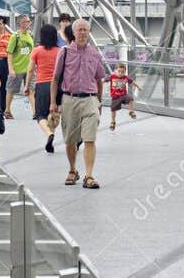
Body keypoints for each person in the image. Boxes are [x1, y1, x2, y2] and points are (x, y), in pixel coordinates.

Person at [50, 18, 107, 189]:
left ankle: (89, 176)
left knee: (90, 138)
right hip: (69, 99)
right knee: (70, 140)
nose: (82, 33)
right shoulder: (65, 52)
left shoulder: (95, 54)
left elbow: (99, 79)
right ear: (73, 33)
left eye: (85, 30)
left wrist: (99, 101)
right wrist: (53, 103)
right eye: (79, 30)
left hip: (90, 99)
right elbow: (55, 78)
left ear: (89, 32)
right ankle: (73, 170)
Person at [26, 22, 61, 153]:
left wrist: (27, 85)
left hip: (42, 85)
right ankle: (52, 135)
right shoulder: (60, 51)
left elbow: (30, 70)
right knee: (54, 114)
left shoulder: (37, 50)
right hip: (57, 86)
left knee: (40, 115)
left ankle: (49, 134)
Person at [4, 13, 34, 119]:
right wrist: (11, 69)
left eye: (29, 21)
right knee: (11, 89)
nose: (28, 23)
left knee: (30, 89)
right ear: (20, 23)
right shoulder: (15, 36)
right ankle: (7, 110)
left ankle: (35, 112)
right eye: (26, 21)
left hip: (29, 68)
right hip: (17, 68)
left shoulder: (30, 35)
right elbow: (10, 53)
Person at [107, 60, 139, 129]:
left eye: (123, 72)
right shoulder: (112, 77)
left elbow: (132, 82)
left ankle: (131, 111)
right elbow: (104, 80)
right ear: (115, 71)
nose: (121, 73)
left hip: (123, 95)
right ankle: (113, 121)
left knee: (130, 98)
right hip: (115, 97)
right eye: (119, 71)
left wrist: (138, 86)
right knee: (113, 109)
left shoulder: (125, 77)